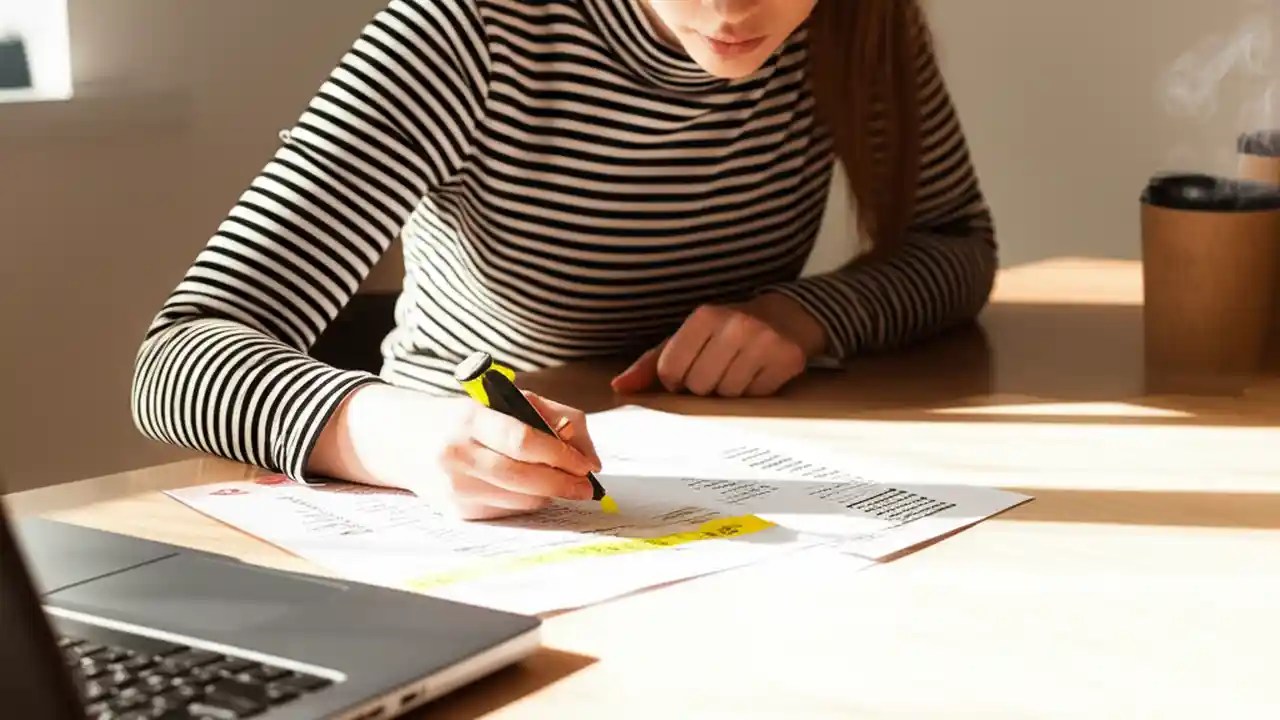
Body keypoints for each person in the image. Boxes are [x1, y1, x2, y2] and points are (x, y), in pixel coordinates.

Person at [130, 0, 996, 520]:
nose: (733, 10)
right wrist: (394, 433)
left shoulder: (854, 21)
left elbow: (955, 244)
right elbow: (178, 355)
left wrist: (804, 316)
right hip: (473, 503)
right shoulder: (467, 29)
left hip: (725, 492)